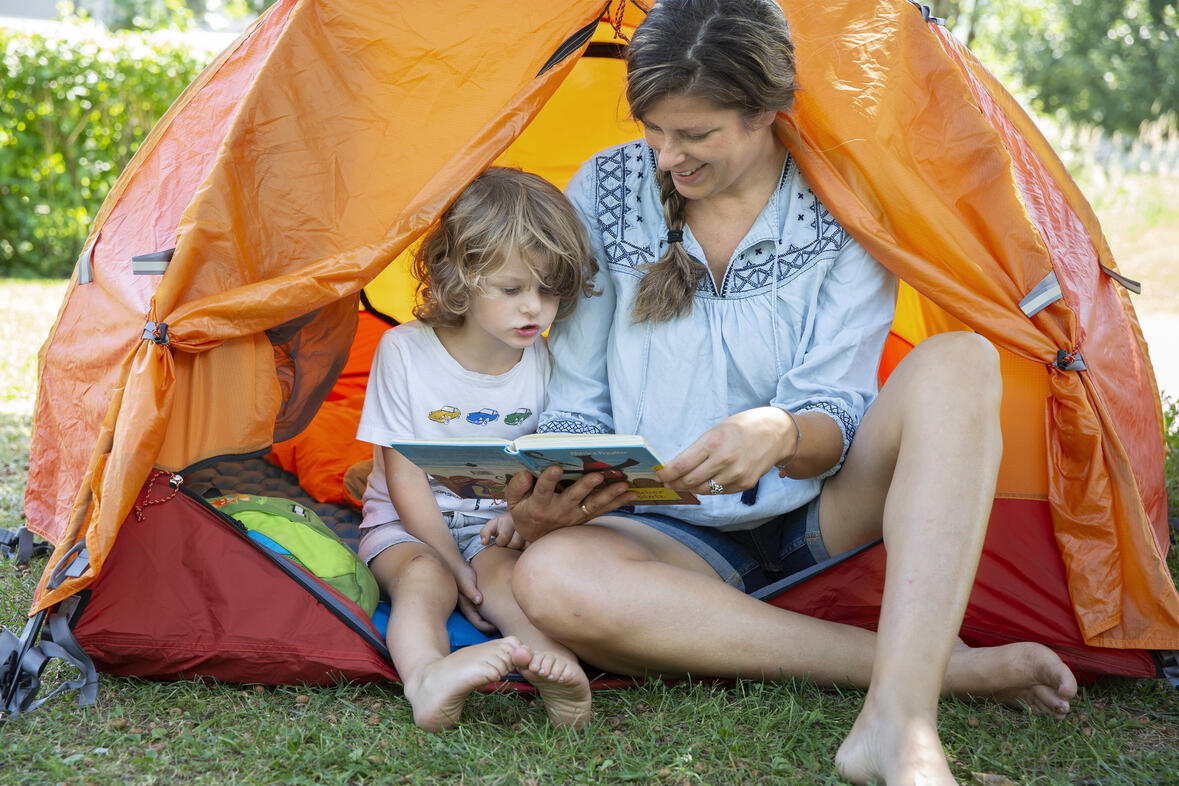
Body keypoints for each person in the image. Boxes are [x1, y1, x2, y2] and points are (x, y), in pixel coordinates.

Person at [500, 1, 1079, 783]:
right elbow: (577, 394)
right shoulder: (605, 187)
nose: (668, 157)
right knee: (548, 578)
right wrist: (550, 493)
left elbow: (838, 411)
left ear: (767, 112)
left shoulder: (839, 198)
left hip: (822, 508)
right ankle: (955, 668)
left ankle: (899, 721)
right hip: (666, 533)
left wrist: (777, 432)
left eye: (696, 134)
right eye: (654, 129)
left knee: (962, 361)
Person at [356, 167, 598, 732]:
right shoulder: (405, 352)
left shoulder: (547, 354)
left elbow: (544, 461)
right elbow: (405, 477)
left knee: (507, 583)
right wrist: (447, 558)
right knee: (425, 581)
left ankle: (556, 671)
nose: (534, 309)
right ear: (459, 280)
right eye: (512, 290)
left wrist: (516, 526)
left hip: (498, 523)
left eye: (548, 290)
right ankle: (426, 680)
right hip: (407, 526)